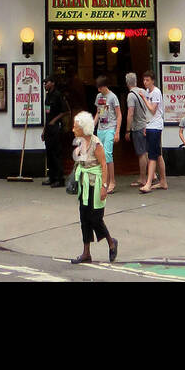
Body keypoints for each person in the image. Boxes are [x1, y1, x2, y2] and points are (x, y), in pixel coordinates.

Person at [68, 111, 118, 265]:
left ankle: (111, 242)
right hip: (84, 184)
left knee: (96, 218)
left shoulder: (96, 143)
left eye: (76, 127)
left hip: (95, 184)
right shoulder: (79, 142)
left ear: (83, 128)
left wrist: (104, 186)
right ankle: (86, 253)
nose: (73, 129)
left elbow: (104, 165)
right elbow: (77, 159)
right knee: (84, 218)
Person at [138, 71, 167, 193]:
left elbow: (153, 110)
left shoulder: (155, 92)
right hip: (150, 125)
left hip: (155, 126)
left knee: (152, 156)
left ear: (153, 81)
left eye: (148, 80)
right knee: (158, 154)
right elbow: (147, 113)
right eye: (144, 80)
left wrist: (144, 98)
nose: (145, 83)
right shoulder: (148, 92)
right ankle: (163, 181)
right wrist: (145, 124)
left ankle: (149, 183)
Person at [94, 75, 121, 195]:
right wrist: (92, 127)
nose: (99, 90)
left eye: (100, 88)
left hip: (110, 127)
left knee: (108, 154)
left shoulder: (113, 97)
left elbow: (119, 114)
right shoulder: (99, 97)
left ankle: (112, 181)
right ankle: (104, 180)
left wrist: (117, 131)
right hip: (101, 128)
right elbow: (98, 113)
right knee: (101, 155)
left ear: (104, 86)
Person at [125, 70, 149, 189]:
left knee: (141, 153)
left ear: (127, 83)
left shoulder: (130, 95)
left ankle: (143, 178)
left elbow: (130, 113)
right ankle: (153, 175)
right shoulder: (143, 91)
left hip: (138, 126)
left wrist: (128, 130)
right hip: (146, 125)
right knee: (147, 151)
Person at [42, 77, 68, 188]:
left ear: (52, 83)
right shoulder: (48, 96)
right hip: (48, 128)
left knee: (56, 153)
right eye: (43, 83)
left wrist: (54, 121)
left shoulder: (58, 95)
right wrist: (44, 130)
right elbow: (47, 114)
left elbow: (65, 111)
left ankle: (60, 179)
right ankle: (51, 177)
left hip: (56, 127)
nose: (44, 85)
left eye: (46, 82)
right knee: (49, 153)